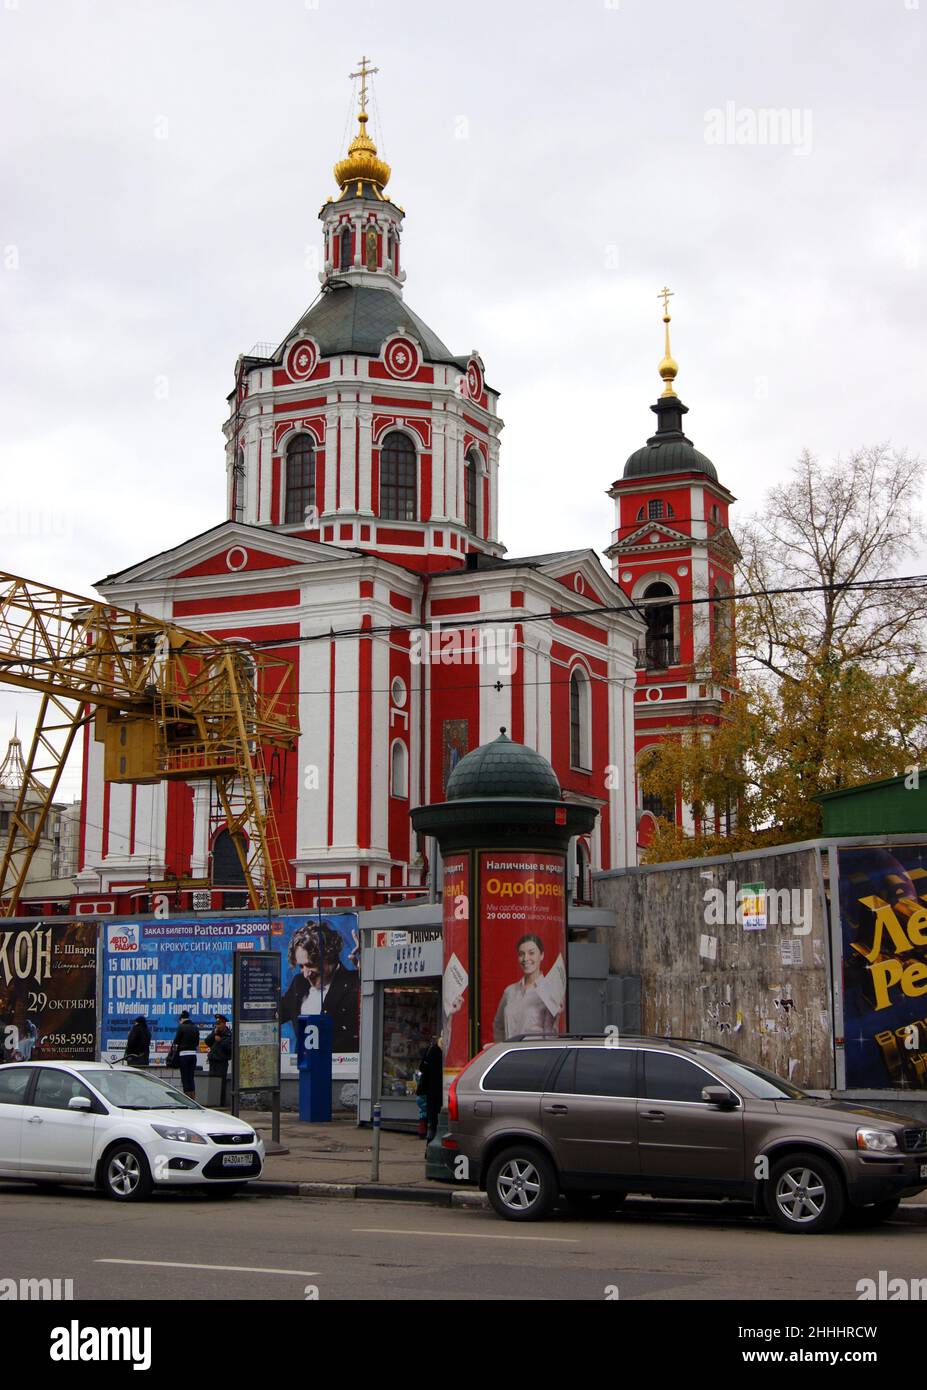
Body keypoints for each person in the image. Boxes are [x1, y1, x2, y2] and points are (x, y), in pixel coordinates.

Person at [280, 922, 360, 1053]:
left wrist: (369, 976)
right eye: (301, 966)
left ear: (329, 956)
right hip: (304, 1068)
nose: (305, 974)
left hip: (341, 1069)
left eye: (310, 965)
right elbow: (274, 1014)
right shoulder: (299, 983)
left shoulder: (355, 983)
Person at [492, 934, 561, 1041]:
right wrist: (502, 1048)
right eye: (521, 954)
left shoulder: (551, 991)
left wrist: (556, 1017)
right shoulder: (510, 991)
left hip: (534, 1055)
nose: (525, 958)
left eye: (531, 953)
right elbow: (498, 1025)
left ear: (542, 955)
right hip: (511, 1055)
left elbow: (551, 1036)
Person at [416, 1032, 444, 1145]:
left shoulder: (432, 1050)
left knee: (432, 1122)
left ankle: (430, 1146)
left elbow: (422, 1067)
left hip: (432, 1092)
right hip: (444, 1091)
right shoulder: (449, 1051)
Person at [204, 1014, 232, 1107]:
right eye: (216, 1024)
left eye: (219, 1024)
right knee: (212, 1083)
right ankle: (212, 1102)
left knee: (220, 1083)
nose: (217, 1026)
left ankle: (220, 1103)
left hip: (221, 1062)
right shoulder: (215, 1032)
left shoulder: (227, 1034)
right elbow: (207, 1041)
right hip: (213, 1061)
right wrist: (214, 1034)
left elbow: (230, 1048)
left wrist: (220, 1041)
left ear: (224, 1023)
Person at [172, 1010, 200, 1099]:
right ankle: (193, 1097)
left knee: (185, 1077)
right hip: (193, 1055)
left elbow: (176, 1041)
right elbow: (197, 1042)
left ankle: (187, 1098)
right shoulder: (195, 1027)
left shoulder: (181, 1027)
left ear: (181, 1019)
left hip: (184, 1055)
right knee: (191, 1077)